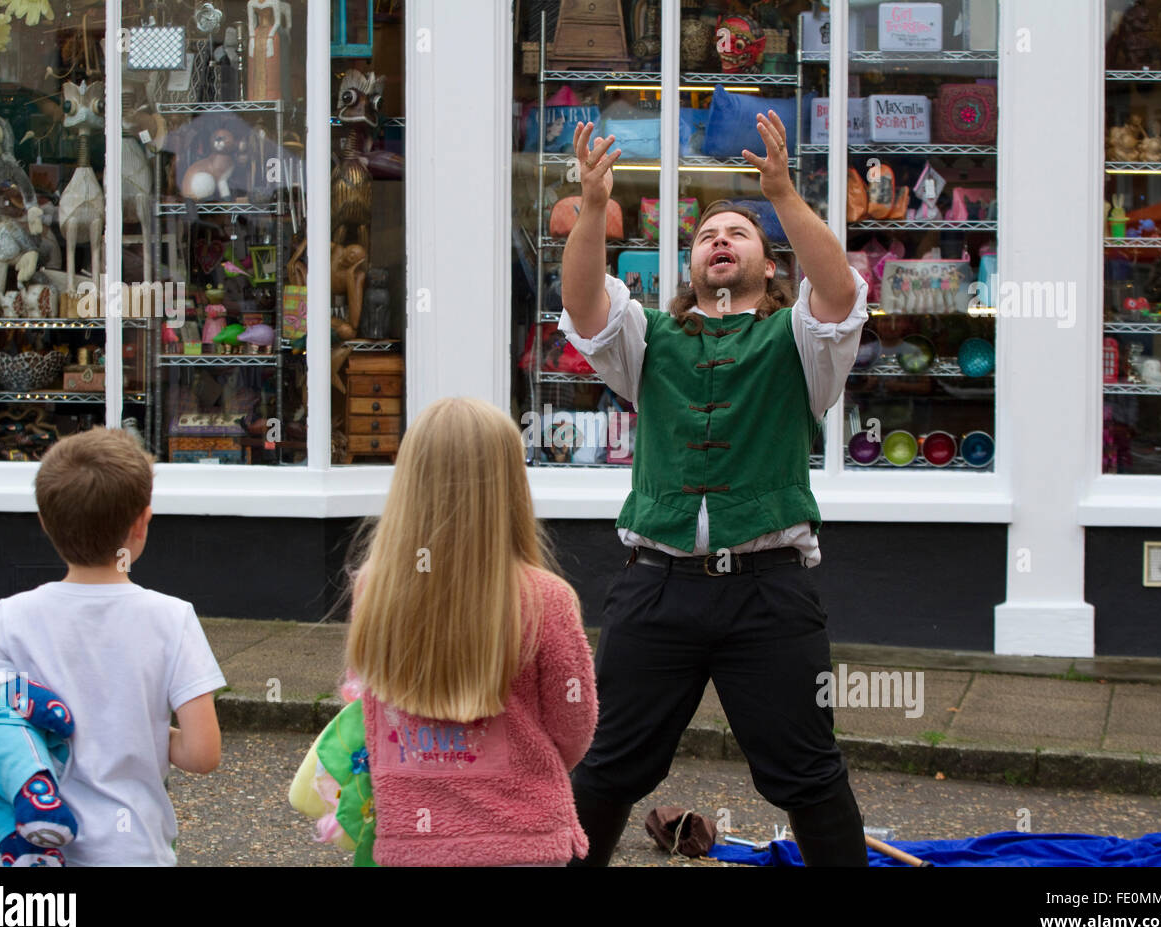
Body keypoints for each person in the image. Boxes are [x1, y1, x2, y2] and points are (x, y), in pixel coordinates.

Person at [559, 111, 872, 866]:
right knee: (604, 769)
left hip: (769, 593)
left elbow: (839, 294)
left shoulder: (799, 341)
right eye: (706, 235)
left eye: (739, 233)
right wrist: (595, 207)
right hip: (656, 587)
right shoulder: (647, 338)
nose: (721, 239)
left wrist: (785, 197)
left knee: (809, 773)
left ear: (769, 266)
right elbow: (583, 305)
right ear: (690, 266)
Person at [0, 427, 225, 865]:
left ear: (45, 522)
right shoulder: (172, 618)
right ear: (142, 522)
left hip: (40, 852)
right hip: (136, 849)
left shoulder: (14, 616)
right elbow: (201, 755)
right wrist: (134, 728)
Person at [342, 397, 597, 866]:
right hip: (524, 842)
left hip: (412, 843)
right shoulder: (545, 599)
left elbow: (366, 705)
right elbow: (573, 731)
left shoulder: (374, 591)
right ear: (510, 486)